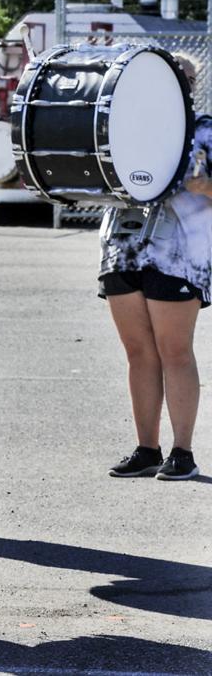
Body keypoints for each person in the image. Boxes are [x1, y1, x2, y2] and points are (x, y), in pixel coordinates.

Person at [102, 51, 211, 481]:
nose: (178, 82)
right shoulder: (120, 124)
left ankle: (183, 452)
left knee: (175, 351)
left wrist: (206, 186)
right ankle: (147, 448)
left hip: (180, 255)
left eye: (186, 78)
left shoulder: (205, 130)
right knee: (138, 351)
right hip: (123, 247)